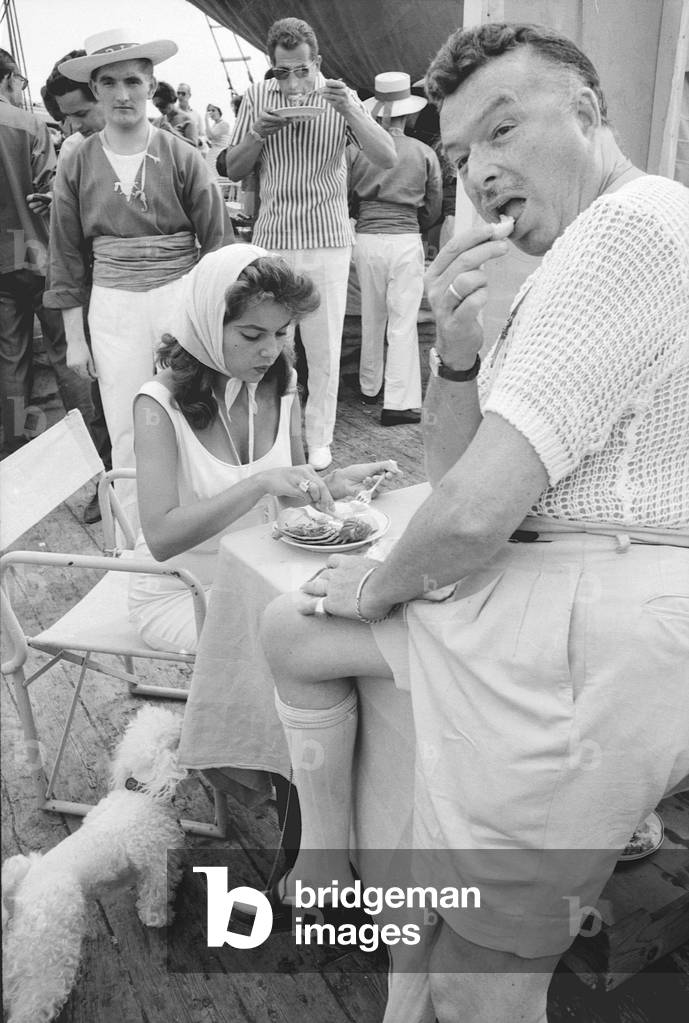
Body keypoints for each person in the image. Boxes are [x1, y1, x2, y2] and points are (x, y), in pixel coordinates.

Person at [259, 22, 689, 1023]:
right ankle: (335, 857)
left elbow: (468, 514)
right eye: (461, 155)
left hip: (573, 630)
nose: (480, 172)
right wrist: (452, 353)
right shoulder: (575, 258)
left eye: (502, 132)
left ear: (587, 113)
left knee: (471, 977)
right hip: (535, 601)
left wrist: (373, 580)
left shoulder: (625, 229)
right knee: (293, 630)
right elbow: (450, 478)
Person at [128, 243, 398, 654]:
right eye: (252, 335)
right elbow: (162, 539)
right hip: (183, 592)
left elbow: (289, 497)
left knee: (368, 614)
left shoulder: (280, 382)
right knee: (313, 640)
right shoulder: (157, 405)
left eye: (281, 333)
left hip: (261, 571)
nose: (270, 350)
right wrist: (258, 484)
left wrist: (333, 484)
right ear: (206, 324)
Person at [43, 28, 233, 530]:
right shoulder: (77, 161)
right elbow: (65, 251)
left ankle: (198, 523)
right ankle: (135, 540)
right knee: (127, 419)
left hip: (180, 297)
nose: (122, 94)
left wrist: (217, 322)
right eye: (109, 82)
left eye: (132, 80)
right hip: (112, 305)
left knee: (192, 408)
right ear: (95, 91)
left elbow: (218, 247)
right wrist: (74, 338)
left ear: (150, 82)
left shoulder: (182, 155)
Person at [225, 16, 396, 472]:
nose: (293, 81)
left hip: (327, 238)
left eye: (302, 70)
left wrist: (352, 112)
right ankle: (272, 436)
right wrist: (259, 133)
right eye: (282, 72)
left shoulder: (341, 97)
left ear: (316, 62)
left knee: (323, 348)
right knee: (270, 345)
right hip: (273, 238)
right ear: (270, 66)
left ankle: (319, 439)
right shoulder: (258, 98)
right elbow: (235, 168)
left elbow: (387, 157)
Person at [0, 48, 95, 461]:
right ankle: (90, 443)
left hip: (2, 263)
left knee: (11, 358)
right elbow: (51, 192)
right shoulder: (30, 124)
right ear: (9, 80)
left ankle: (18, 442)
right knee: (65, 353)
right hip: (38, 255)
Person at [348, 71, 442, 426]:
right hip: (404, 237)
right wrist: (418, 226)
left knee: (372, 314)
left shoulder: (357, 152)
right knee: (403, 322)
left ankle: (369, 385)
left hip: (368, 238)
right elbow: (432, 204)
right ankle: (398, 401)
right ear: (410, 113)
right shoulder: (423, 152)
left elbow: (347, 199)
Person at [42, 51, 112, 523]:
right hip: (96, 291)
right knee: (102, 394)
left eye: (81, 115)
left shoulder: (167, 149)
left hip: (152, 291)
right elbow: (67, 244)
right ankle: (108, 483)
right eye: (65, 119)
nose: (73, 127)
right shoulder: (75, 151)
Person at [152, 81, 198, 147]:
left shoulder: (187, 120)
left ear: (172, 100)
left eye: (163, 105)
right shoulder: (157, 122)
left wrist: (173, 132)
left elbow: (194, 146)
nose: (160, 109)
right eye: (157, 106)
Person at [176, 81, 205, 148]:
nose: (180, 96)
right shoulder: (172, 113)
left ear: (189, 95)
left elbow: (202, 135)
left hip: (192, 151)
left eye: (183, 93)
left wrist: (199, 141)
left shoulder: (196, 115)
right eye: (178, 93)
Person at [204, 103, 231, 175]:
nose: (211, 113)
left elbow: (210, 136)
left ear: (219, 111)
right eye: (209, 111)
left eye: (213, 110)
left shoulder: (224, 124)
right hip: (212, 153)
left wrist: (206, 120)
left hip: (219, 155)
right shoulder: (214, 125)